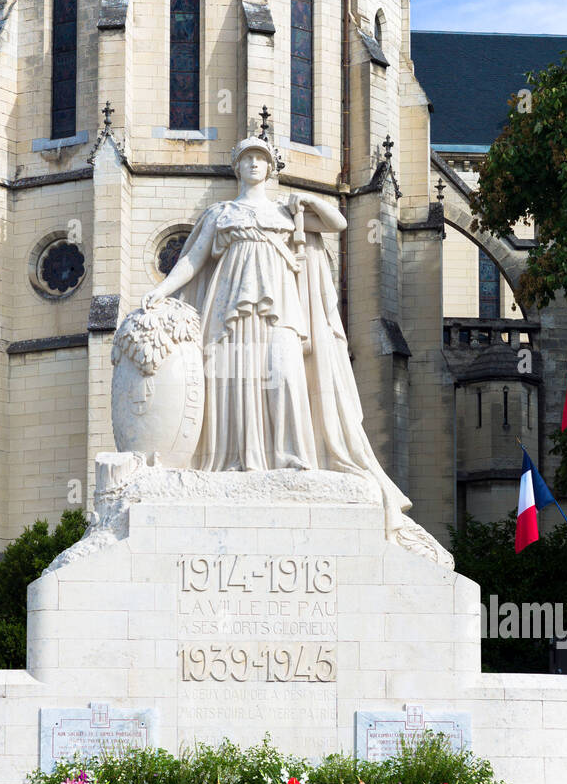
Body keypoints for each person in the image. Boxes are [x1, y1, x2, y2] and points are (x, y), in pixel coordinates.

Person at [143, 134, 413, 535]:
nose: (255, 164)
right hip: (229, 306)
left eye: (262, 158)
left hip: (281, 305)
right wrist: (160, 291)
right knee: (232, 381)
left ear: (271, 169)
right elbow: (193, 261)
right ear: (237, 167)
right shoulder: (220, 214)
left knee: (284, 374)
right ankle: (235, 458)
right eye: (248, 158)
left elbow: (338, 223)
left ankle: (292, 458)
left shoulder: (289, 212)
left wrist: (307, 202)